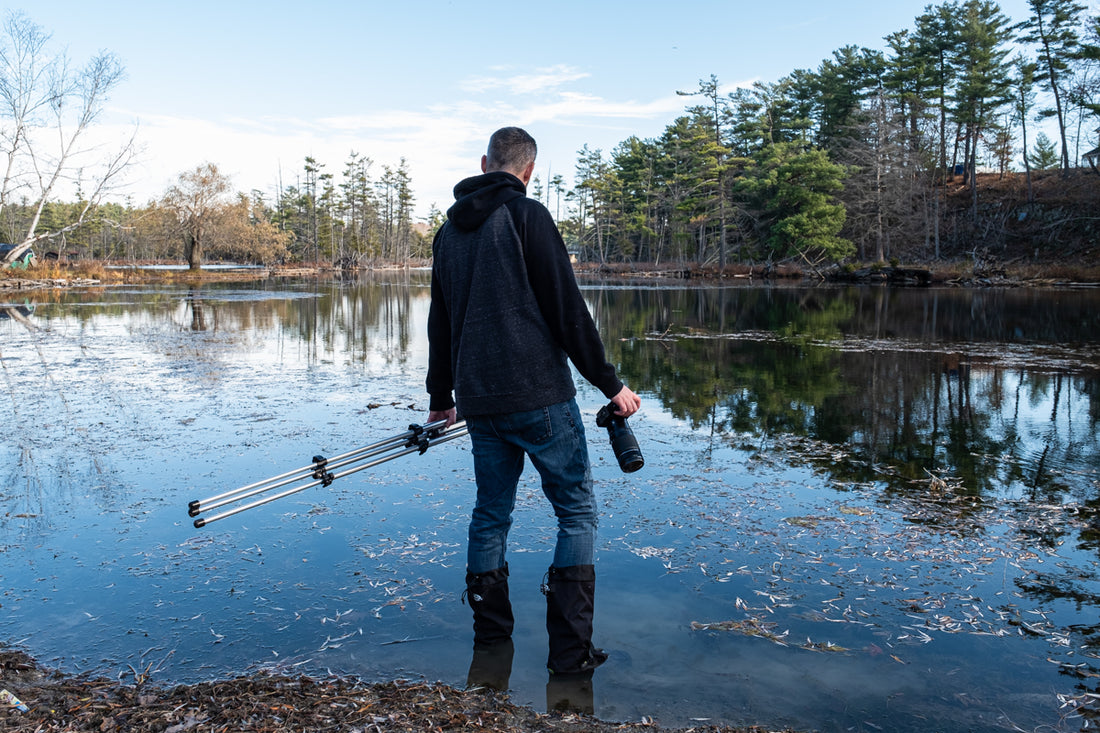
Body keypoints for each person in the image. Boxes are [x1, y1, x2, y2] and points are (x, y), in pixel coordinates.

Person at [426, 126, 640, 677]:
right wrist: (610, 385)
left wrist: (440, 397)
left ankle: (492, 643)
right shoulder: (528, 215)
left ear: (484, 163)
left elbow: (440, 322)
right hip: (540, 396)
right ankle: (570, 657)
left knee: (490, 513)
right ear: (527, 172)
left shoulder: (449, 233)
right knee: (576, 511)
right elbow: (568, 310)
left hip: (481, 402)